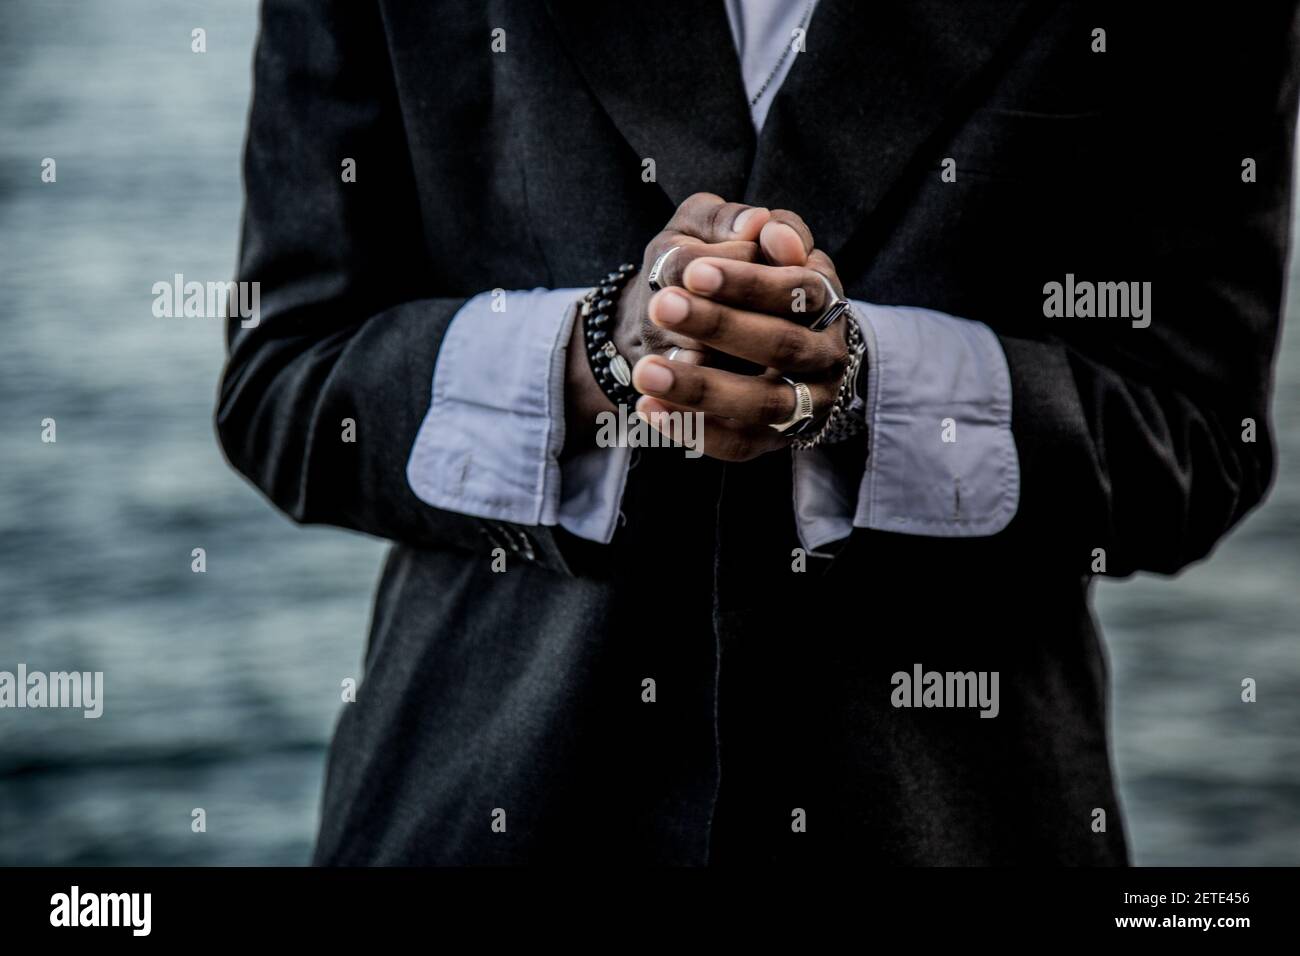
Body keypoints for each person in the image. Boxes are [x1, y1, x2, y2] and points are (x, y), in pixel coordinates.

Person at [217, 1, 1300, 864]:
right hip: (480, 808)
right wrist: (597, 354)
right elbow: (285, 378)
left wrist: (870, 385)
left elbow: (1200, 436)